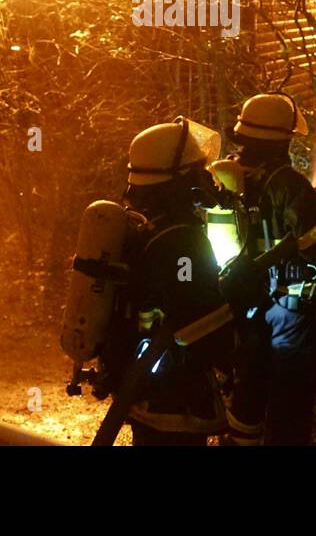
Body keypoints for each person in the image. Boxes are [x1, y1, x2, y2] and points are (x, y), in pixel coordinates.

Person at [212, 93, 316, 445]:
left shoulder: (223, 176)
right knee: (289, 412)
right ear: (283, 138)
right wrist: (315, 205)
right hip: (289, 317)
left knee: (246, 405)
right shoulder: (290, 185)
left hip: (239, 312)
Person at [116, 117, 231, 445]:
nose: (206, 178)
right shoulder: (184, 239)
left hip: (148, 385)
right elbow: (202, 322)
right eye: (198, 170)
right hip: (176, 393)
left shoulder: (149, 226)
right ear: (181, 179)